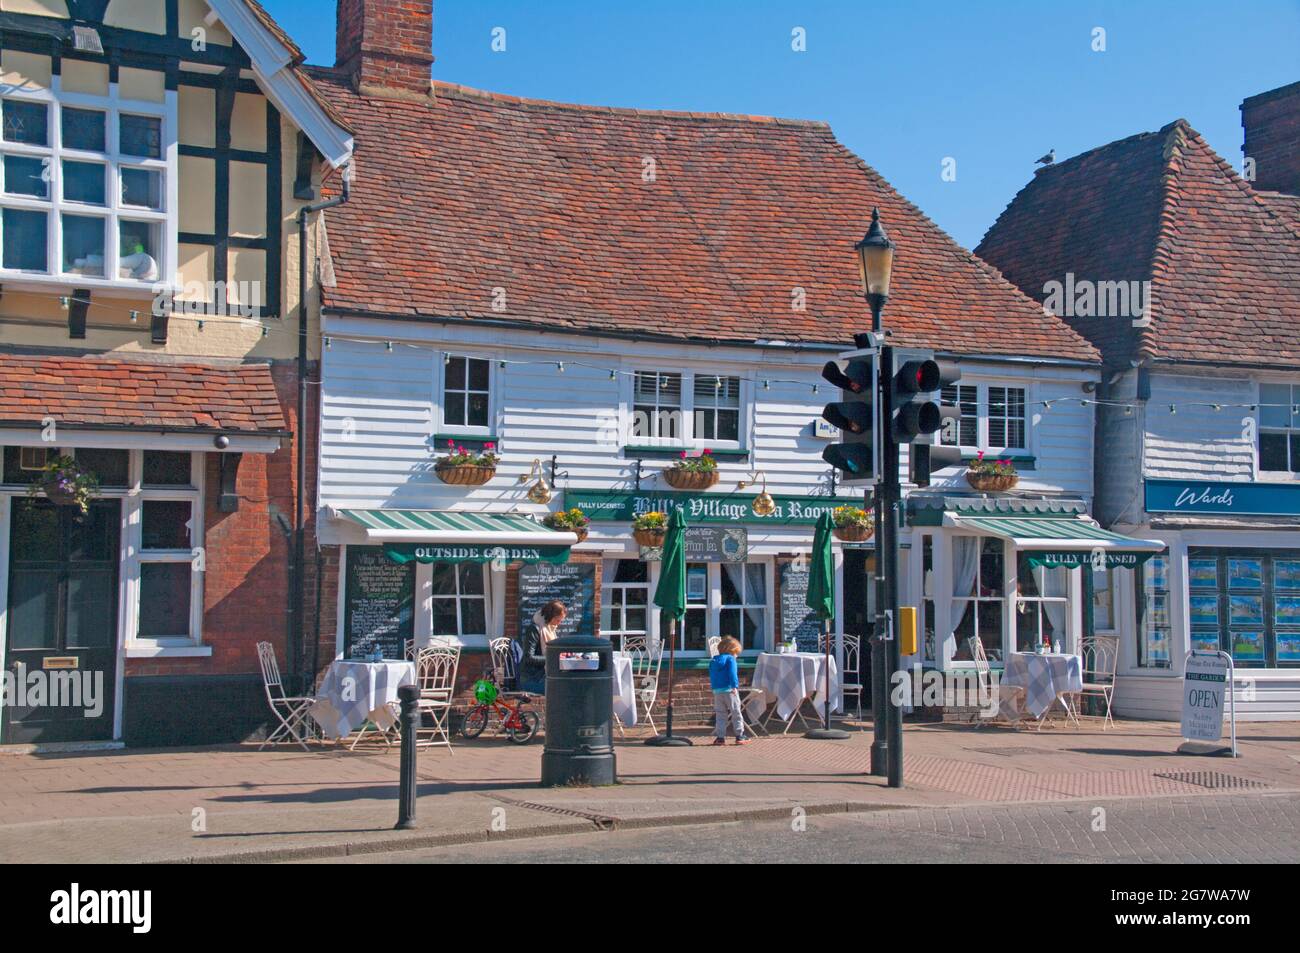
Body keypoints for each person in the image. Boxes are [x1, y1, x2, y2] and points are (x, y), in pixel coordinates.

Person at [517, 600, 566, 694]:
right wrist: (552, 658)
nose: (559, 623)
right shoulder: (534, 629)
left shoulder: (549, 629)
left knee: (566, 684)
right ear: (550, 616)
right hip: (531, 679)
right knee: (561, 690)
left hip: (541, 676)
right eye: (557, 620)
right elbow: (529, 658)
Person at [709, 636, 748, 746]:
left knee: (720, 714)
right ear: (732, 651)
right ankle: (740, 735)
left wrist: (714, 688)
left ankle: (720, 738)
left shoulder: (713, 660)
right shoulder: (730, 659)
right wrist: (735, 686)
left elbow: (712, 676)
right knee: (736, 712)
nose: (737, 656)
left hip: (717, 691)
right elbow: (732, 674)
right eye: (736, 653)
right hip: (730, 690)